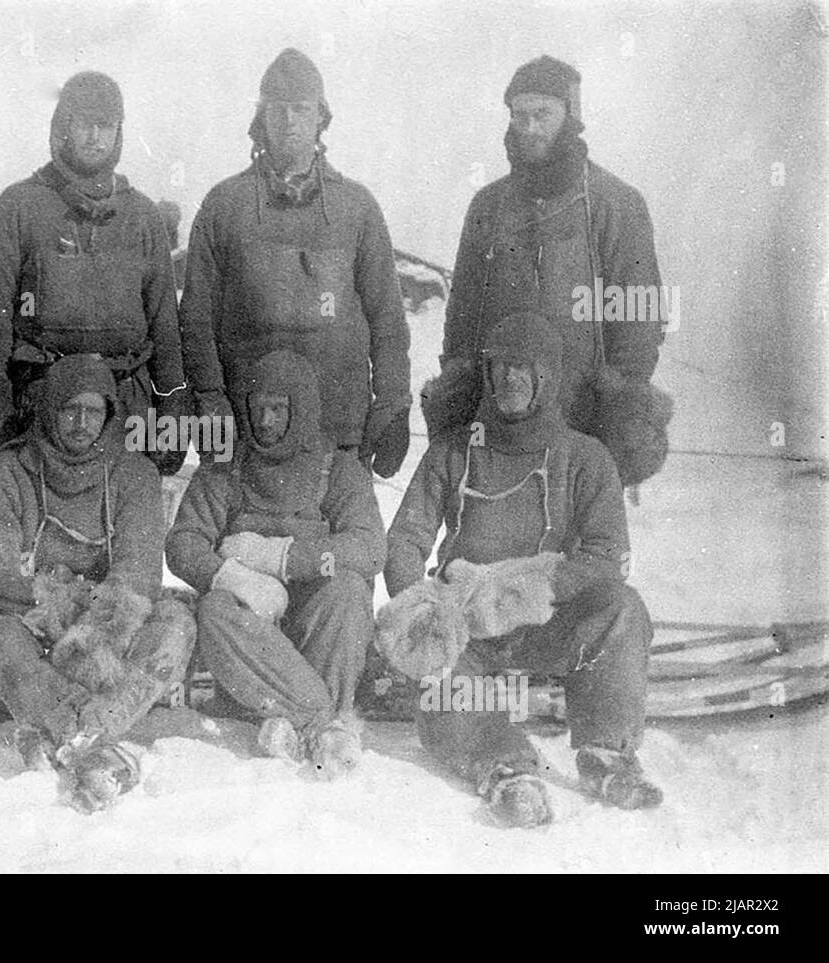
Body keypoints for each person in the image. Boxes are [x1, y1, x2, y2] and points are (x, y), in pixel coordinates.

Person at [382, 311, 662, 828]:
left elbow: (607, 555)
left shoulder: (585, 457)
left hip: (547, 624)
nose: (509, 378)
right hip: (464, 630)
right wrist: (420, 606)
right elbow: (405, 538)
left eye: (524, 368)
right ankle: (504, 764)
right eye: (500, 367)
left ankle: (607, 752)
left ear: (547, 377)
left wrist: (534, 588)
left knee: (623, 609)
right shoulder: (454, 450)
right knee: (438, 678)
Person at [429, 55, 670, 487]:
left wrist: (619, 397)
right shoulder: (488, 207)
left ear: (570, 117)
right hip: (499, 410)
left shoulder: (615, 205)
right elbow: (462, 314)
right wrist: (459, 383)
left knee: (580, 542)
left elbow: (639, 318)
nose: (530, 128)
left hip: (582, 417)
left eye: (543, 114)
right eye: (520, 115)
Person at [0, 354, 196, 812]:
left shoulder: (136, 475)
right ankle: (90, 744)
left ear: (110, 415)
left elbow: (138, 573)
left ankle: (81, 733)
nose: (81, 422)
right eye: (70, 409)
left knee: (175, 624)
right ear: (49, 410)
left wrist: (90, 631)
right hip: (30, 622)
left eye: (94, 412)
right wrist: (55, 600)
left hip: (107, 636)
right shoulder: (7, 472)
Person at [179, 48, 411, 477]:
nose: (288, 121)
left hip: (336, 427)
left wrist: (393, 402)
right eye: (277, 109)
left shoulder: (355, 208)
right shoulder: (224, 206)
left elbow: (388, 321)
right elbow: (195, 320)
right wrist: (210, 397)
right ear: (260, 118)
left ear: (321, 117)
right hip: (249, 427)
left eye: (300, 109)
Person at [166, 350, 385, 777]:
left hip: (313, 627)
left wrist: (282, 558)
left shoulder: (338, 470)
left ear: (302, 410)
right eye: (258, 407)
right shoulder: (225, 470)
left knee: (347, 591)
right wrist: (232, 576)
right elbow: (183, 543)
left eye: (279, 409)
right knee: (214, 610)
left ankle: (296, 718)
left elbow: (369, 547)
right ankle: (325, 727)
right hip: (256, 634)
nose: (265, 421)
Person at [0, 72, 188, 474]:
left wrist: (173, 410)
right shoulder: (20, 206)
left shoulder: (141, 217)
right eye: (83, 123)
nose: (94, 136)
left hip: (125, 406)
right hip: (41, 402)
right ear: (62, 127)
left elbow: (164, 325)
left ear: (119, 133)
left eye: (105, 125)